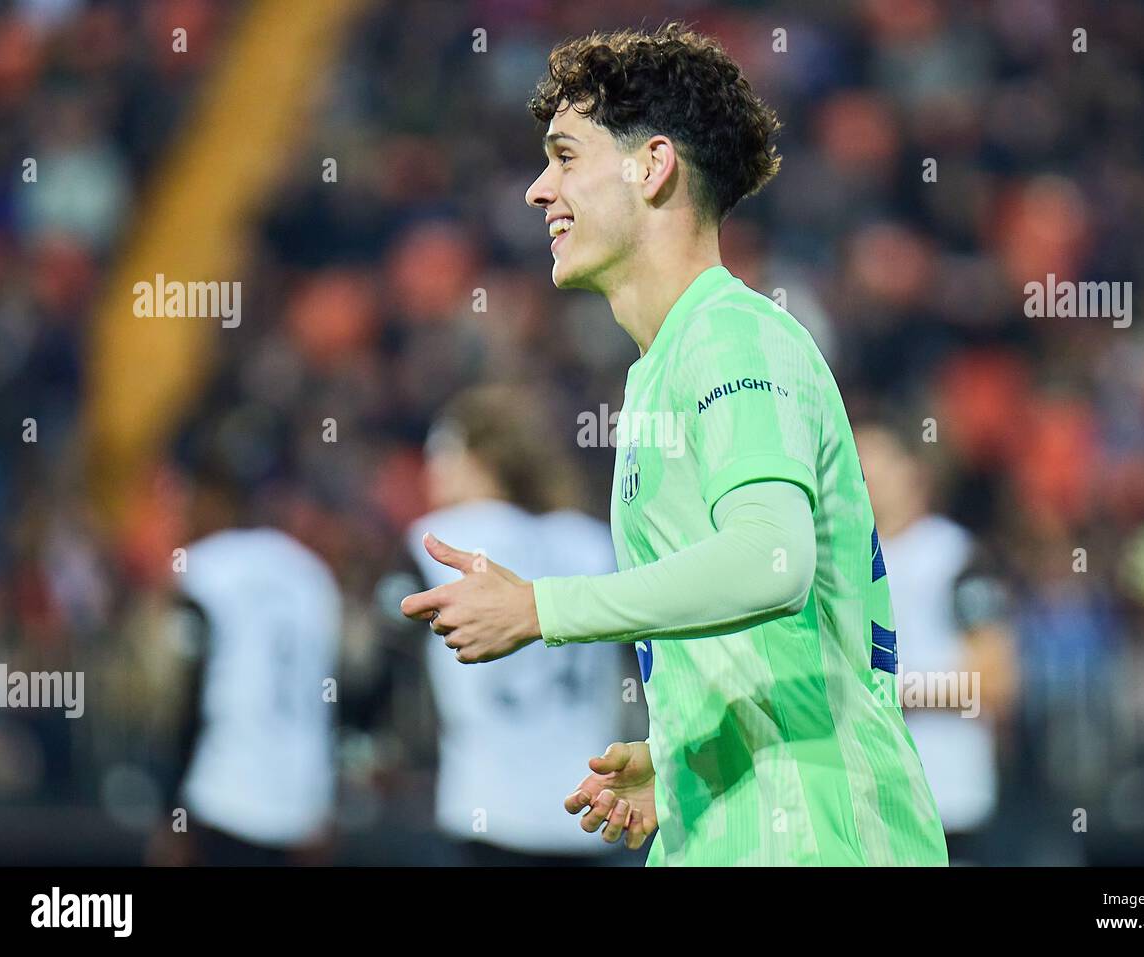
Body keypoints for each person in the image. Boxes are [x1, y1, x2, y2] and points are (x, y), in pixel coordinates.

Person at [400, 24, 947, 866]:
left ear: (651, 167)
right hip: (736, 830)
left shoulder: (732, 338)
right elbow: (776, 632)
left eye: (566, 155)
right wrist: (687, 754)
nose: (537, 190)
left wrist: (543, 608)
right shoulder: (665, 368)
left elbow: (772, 559)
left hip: (815, 839)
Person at [405, 385, 636, 866]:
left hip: (490, 812)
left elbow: (390, 674)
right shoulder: (593, 541)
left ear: (471, 455)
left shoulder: (441, 541)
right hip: (589, 813)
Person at [149, 462, 341, 866]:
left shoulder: (203, 567)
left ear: (217, 499)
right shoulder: (312, 574)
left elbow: (186, 694)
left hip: (224, 795)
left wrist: (172, 810)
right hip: (301, 804)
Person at [855, 422, 1018, 863]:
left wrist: (888, 691)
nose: (865, 474)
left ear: (914, 472)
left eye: (878, 462)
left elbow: (995, 685)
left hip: (948, 800)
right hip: (866, 802)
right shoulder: (839, 564)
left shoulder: (956, 558)